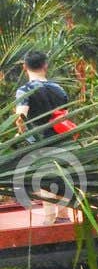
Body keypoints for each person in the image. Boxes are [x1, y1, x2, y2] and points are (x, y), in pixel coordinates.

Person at [12, 50, 73, 224]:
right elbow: (64, 115)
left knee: (44, 178)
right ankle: (63, 215)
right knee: (60, 175)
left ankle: (49, 219)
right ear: (45, 66)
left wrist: (20, 133)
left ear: (25, 67)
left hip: (38, 140)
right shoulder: (58, 89)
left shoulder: (24, 90)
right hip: (61, 138)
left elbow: (21, 117)